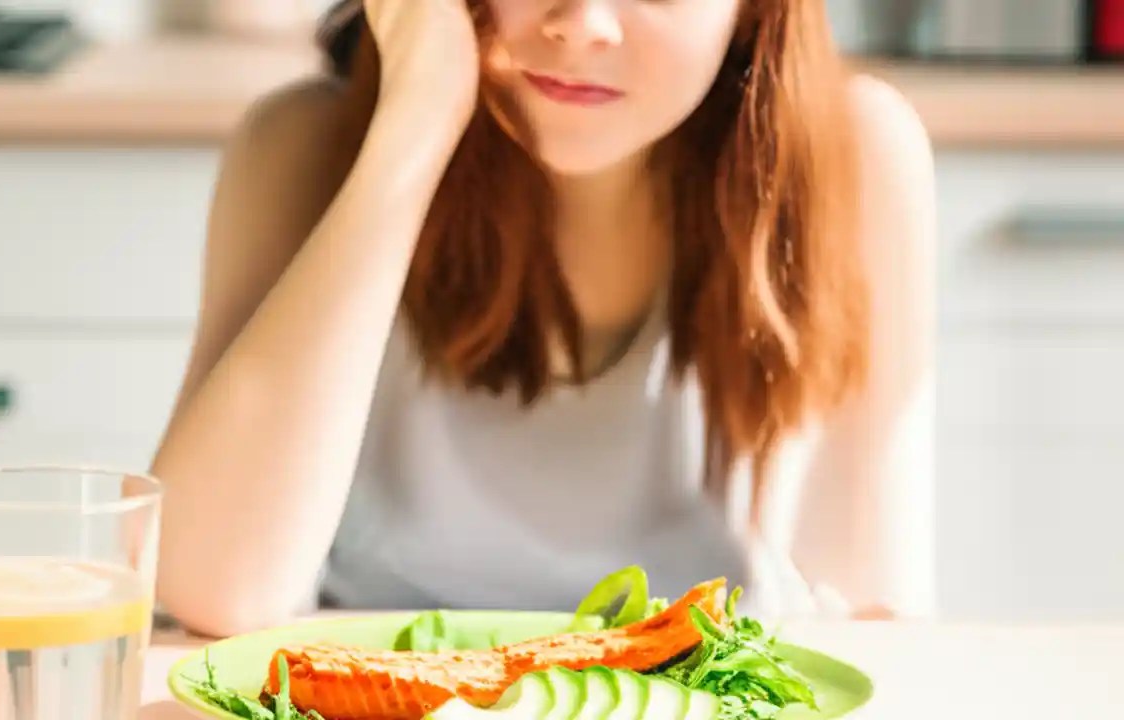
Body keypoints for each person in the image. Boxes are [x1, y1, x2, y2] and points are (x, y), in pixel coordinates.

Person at [149, 0, 936, 638]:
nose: (583, 23)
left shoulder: (856, 155)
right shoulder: (305, 147)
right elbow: (215, 588)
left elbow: (873, 610)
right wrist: (414, 126)